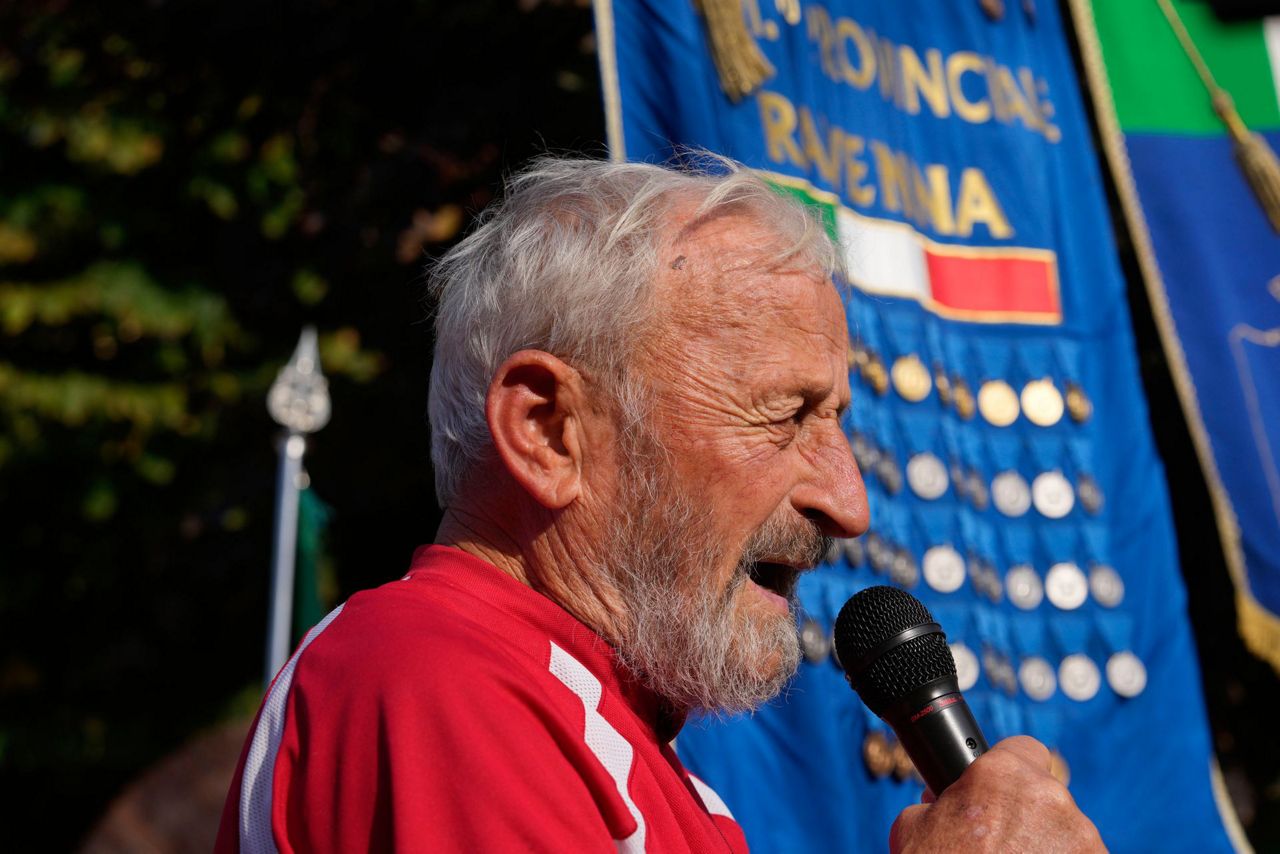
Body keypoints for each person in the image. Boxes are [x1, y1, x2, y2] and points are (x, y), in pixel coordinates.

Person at [215, 155, 1105, 852]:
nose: (849, 502)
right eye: (785, 416)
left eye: (834, 421)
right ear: (550, 430)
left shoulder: (621, 738)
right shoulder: (435, 676)